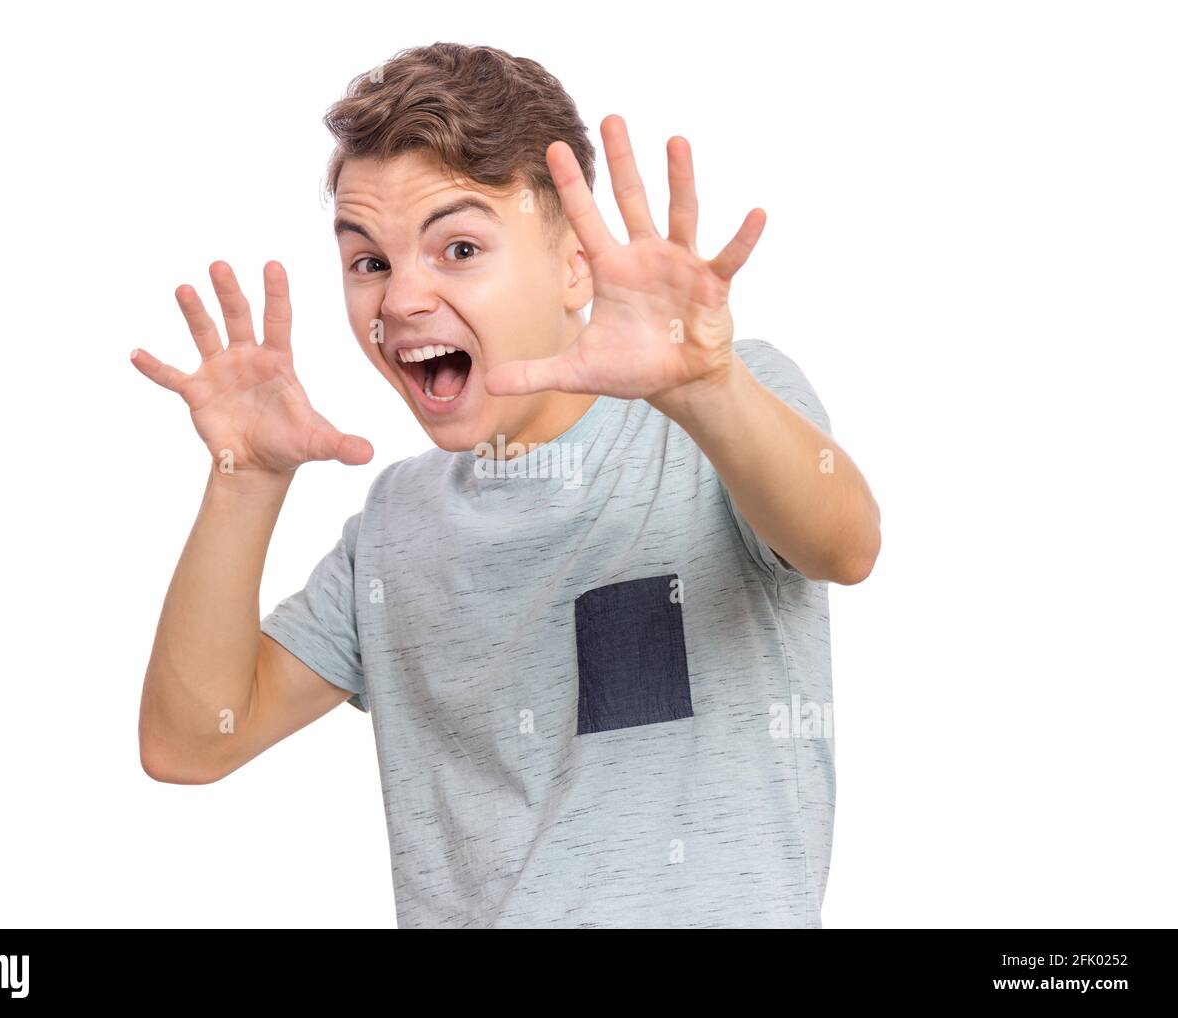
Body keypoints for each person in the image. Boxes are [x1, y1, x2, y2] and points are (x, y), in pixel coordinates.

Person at [133, 42, 881, 928]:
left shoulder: (721, 414)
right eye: (370, 262)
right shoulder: (393, 530)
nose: (401, 300)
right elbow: (190, 742)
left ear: (576, 266)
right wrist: (246, 482)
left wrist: (710, 390)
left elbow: (844, 545)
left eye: (458, 248)